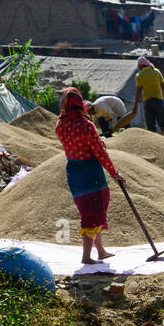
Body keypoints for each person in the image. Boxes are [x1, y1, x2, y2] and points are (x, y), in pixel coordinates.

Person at [55, 86, 124, 266]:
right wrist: (114, 173)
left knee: (91, 210)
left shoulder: (60, 125)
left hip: (74, 172)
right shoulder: (86, 125)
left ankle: (100, 251)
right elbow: (100, 152)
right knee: (93, 212)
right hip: (90, 172)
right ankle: (86, 256)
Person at [131, 55, 164, 139]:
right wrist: (161, 97)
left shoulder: (139, 75)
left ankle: (153, 146)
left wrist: (135, 106)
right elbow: (163, 86)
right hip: (159, 101)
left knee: (151, 127)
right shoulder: (156, 71)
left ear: (140, 66)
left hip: (148, 102)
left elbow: (138, 92)